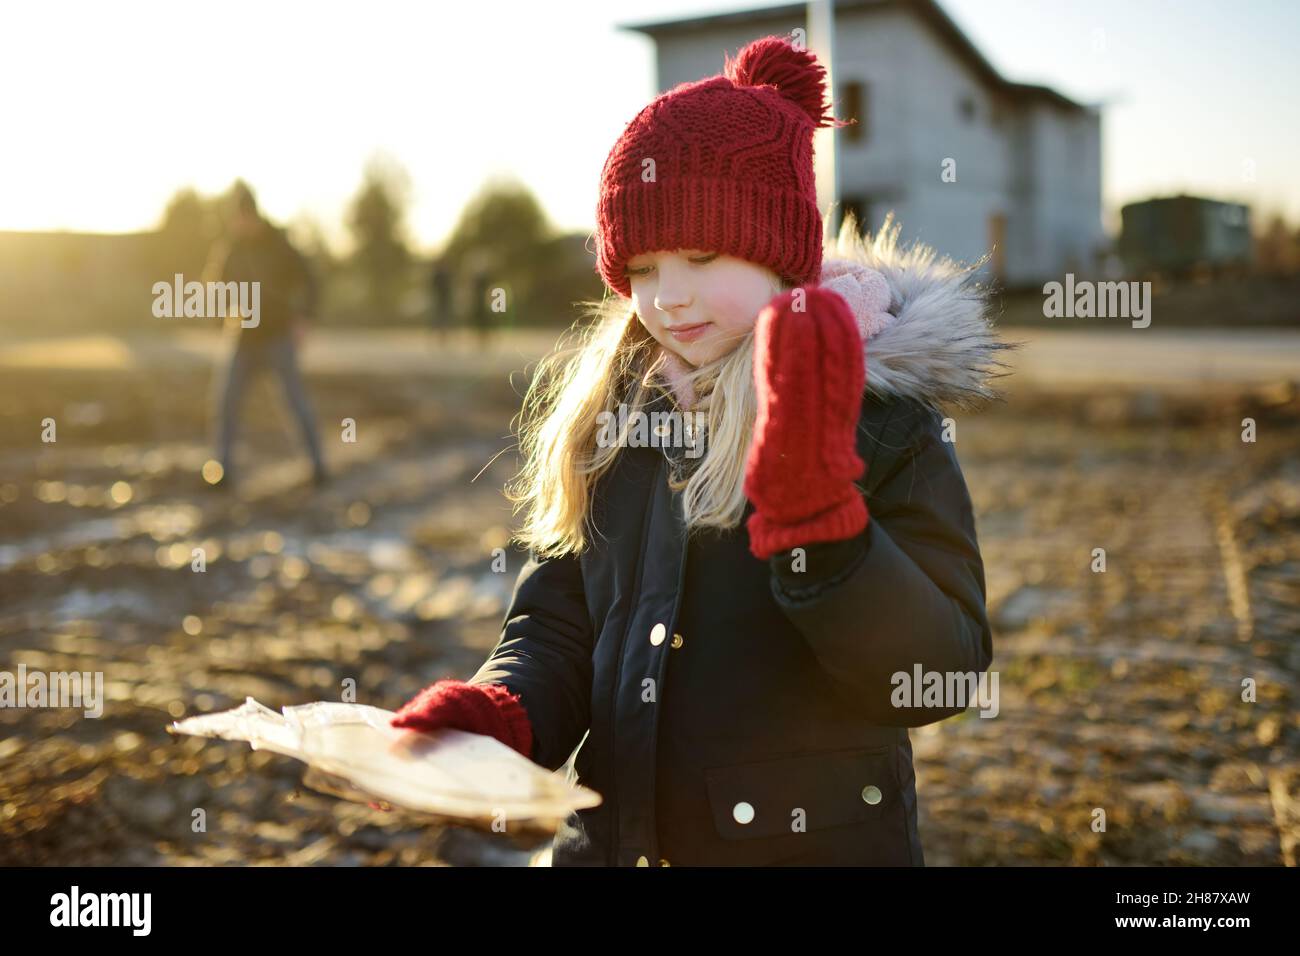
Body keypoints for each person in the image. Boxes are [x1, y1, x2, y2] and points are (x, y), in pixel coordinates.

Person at [389, 36, 1016, 866]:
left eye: (702, 256)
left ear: (778, 254)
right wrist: (504, 715)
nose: (667, 295)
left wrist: (824, 534)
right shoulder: (621, 416)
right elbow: (562, 618)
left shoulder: (879, 418)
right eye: (641, 267)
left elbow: (940, 668)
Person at [205, 182, 328, 490]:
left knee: (296, 403)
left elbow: (310, 280)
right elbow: (216, 285)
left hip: (277, 337)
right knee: (226, 403)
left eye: (241, 218)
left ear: (252, 215)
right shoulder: (231, 248)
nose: (237, 225)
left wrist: (304, 318)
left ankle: (318, 467)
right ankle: (223, 470)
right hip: (243, 338)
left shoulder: (279, 245)